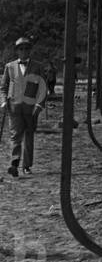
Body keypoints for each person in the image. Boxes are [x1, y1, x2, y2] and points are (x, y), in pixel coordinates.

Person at [2, 37, 49, 177]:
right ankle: (14, 163)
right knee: (15, 136)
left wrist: (40, 105)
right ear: (17, 51)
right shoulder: (9, 67)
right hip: (14, 108)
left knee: (29, 136)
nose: (24, 51)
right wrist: (3, 101)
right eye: (21, 49)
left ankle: (27, 166)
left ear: (30, 50)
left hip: (31, 109)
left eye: (26, 48)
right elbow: (3, 87)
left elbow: (43, 88)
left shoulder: (38, 66)